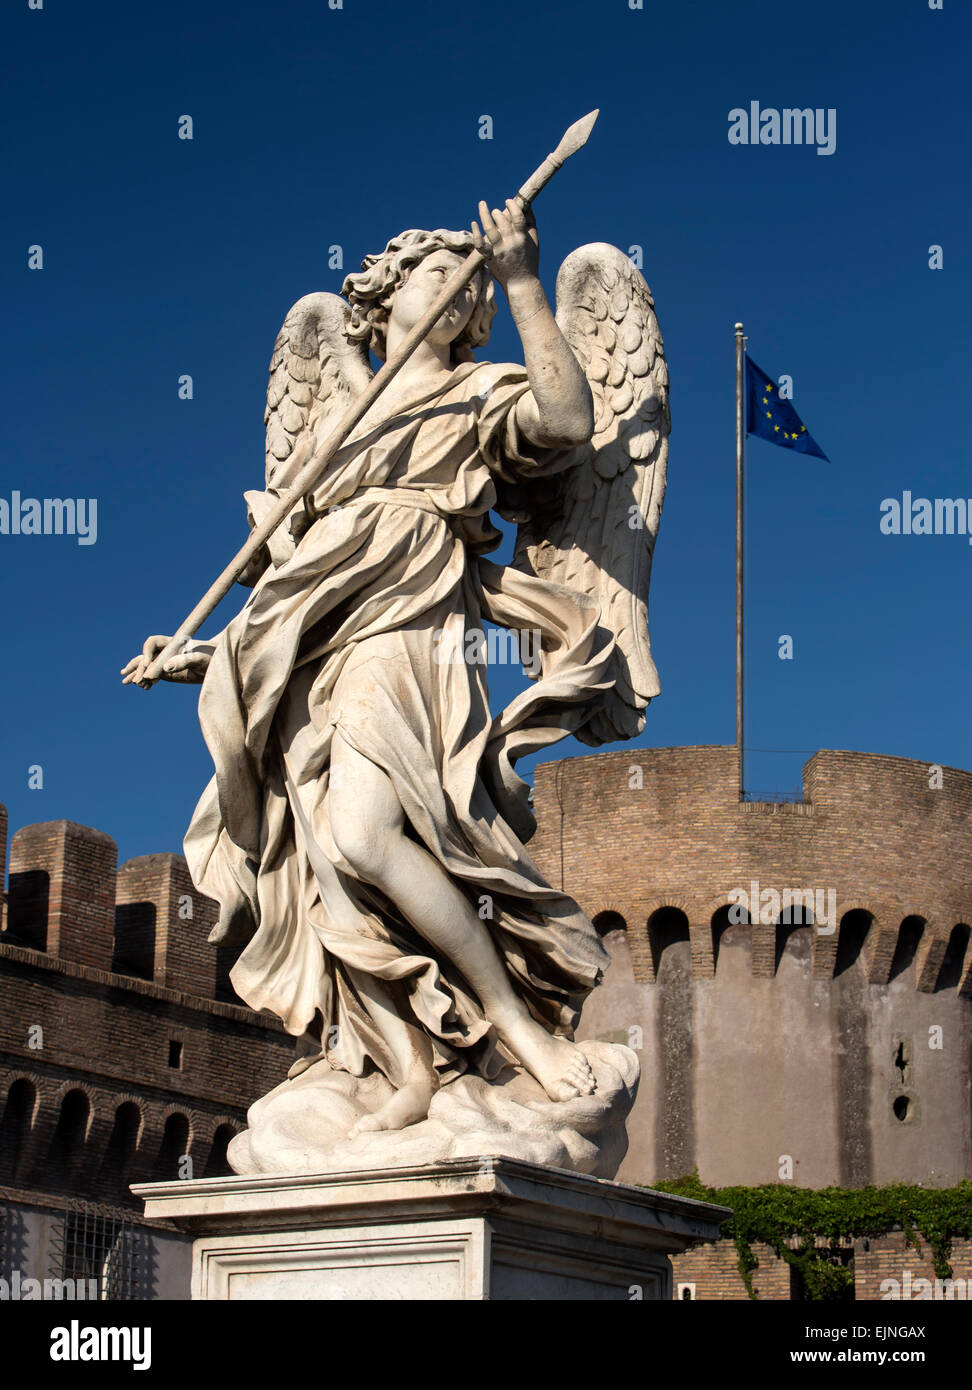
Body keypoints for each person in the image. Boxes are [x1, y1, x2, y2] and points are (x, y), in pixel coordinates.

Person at [122, 199, 616, 1135]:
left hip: (410, 629)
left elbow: (564, 419)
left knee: (362, 832)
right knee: (326, 871)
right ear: (384, 298)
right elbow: (287, 591)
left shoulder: (478, 393)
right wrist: (207, 658)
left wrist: (520, 283)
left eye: (469, 291)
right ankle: (407, 1064)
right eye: (440, 276)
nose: (456, 293)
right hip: (313, 660)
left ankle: (521, 1031)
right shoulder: (332, 435)